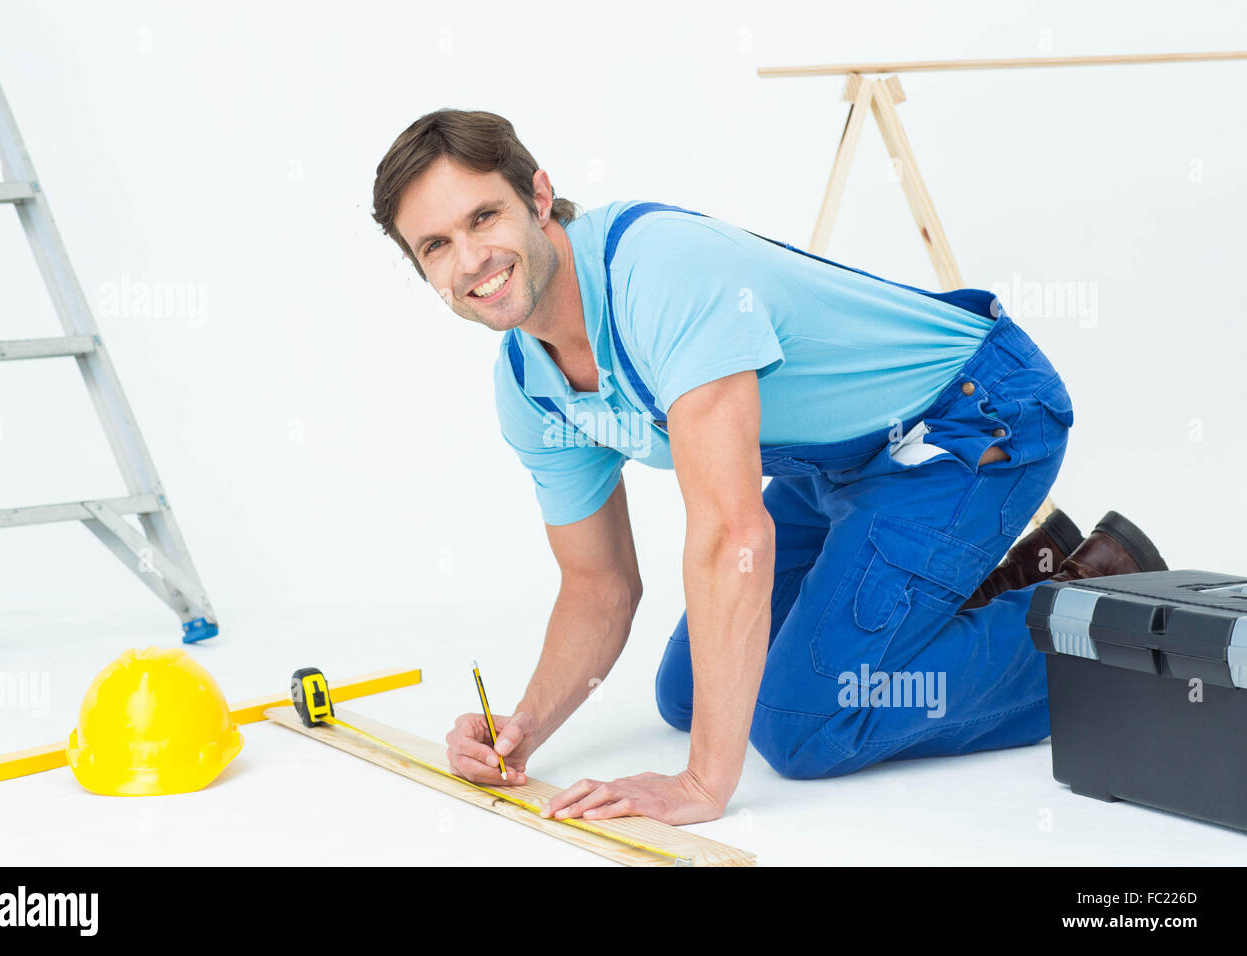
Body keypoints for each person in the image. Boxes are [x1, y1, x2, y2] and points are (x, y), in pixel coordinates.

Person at [370, 108, 1167, 826]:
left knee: (804, 722)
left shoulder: (656, 272)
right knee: (688, 695)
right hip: (842, 465)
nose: (472, 259)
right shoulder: (528, 386)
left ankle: (1113, 622)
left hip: (971, 420)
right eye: (436, 245)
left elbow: (729, 532)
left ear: (539, 197)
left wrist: (701, 786)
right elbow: (598, 585)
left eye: (484, 217)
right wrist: (523, 729)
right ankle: (994, 584)